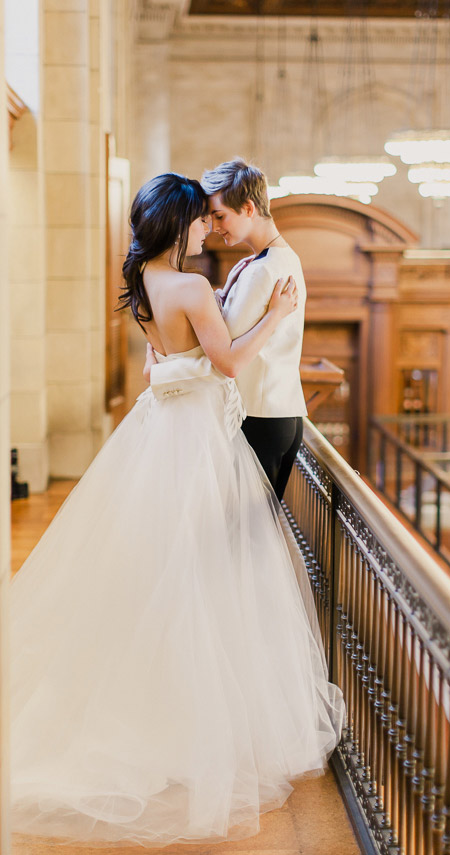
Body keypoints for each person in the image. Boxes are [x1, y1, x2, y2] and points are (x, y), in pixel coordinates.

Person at [10, 173, 344, 847]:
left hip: (159, 432)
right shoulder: (193, 288)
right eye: (199, 221)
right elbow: (226, 365)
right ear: (179, 224)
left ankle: (154, 705)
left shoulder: (144, 286)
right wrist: (277, 319)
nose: (206, 230)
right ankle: (202, 719)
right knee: (212, 575)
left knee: (164, 568)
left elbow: (156, 368)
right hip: (199, 440)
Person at [147, 157, 307, 501]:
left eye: (219, 216)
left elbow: (223, 353)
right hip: (281, 410)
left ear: (248, 207)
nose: (214, 226)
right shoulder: (280, 259)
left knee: (243, 538)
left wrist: (160, 367)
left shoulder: (260, 271)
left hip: (258, 415)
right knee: (255, 534)